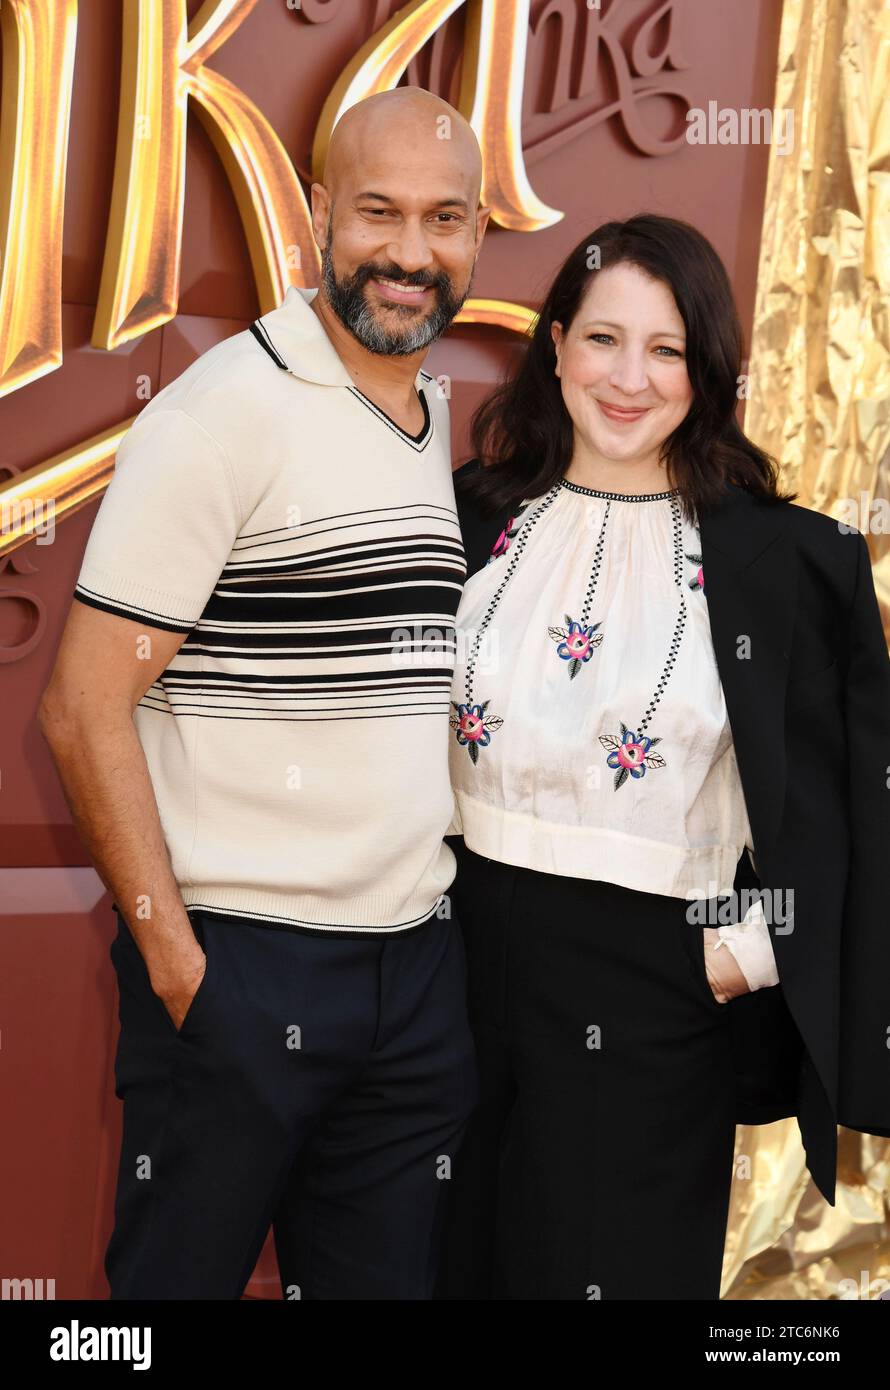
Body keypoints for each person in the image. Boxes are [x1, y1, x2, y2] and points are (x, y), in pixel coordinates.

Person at [38, 87, 491, 1300]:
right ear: (316, 214)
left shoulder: (428, 419)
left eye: (443, 218)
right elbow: (81, 709)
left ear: (479, 233)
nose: (409, 253)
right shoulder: (219, 415)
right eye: (379, 212)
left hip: (412, 985)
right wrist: (185, 973)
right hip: (241, 972)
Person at [435, 214, 890, 1300]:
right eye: (601, 339)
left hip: (652, 989)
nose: (627, 377)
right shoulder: (467, 515)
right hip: (443, 970)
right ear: (553, 345)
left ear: (707, 369)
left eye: (666, 348)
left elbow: (852, 812)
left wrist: (737, 957)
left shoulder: (787, 561)